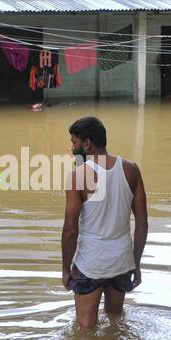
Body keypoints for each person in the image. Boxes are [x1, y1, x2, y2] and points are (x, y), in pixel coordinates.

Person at [61, 116, 148, 328]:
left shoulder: (77, 176)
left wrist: (65, 269)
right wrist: (135, 263)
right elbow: (142, 223)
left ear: (87, 144)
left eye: (74, 142)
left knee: (84, 330)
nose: (72, 148)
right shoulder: (131, 169)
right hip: (121, 261)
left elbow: (70, 230)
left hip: (91, 263)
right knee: (116, 323)